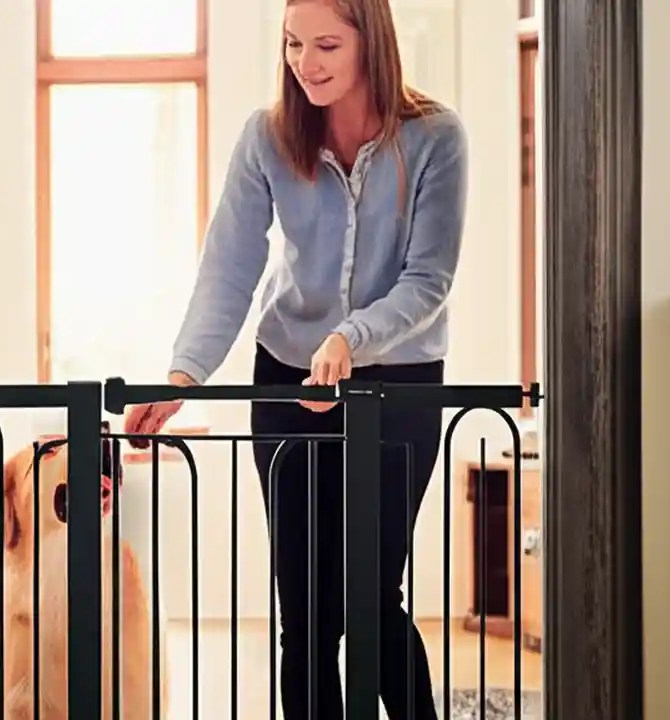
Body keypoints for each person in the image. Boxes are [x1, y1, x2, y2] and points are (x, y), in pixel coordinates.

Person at [124, 0, 466, 716]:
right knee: (306, 612)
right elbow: (230, 266)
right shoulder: (267, 138)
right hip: (286, 373)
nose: (304, 63)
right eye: (292, 44)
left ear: (370, 42)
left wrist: (350, 339)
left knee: (373, 598)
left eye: (326, 45)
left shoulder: (436, 137)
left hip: (400, 382)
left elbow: (427, 280)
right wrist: (185, 373)